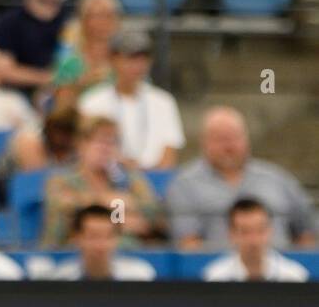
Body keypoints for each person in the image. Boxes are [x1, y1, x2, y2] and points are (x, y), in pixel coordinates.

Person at [167, 107, 316, 251]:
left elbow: (308, 231)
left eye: (234, 137)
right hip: (214, 273)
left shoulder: (277, 179)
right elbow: (187, 244)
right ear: (204, 142)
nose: (229, 146)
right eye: (221, 139)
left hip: (280, 271)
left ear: (246, 139)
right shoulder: (185, 184)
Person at [40, 115, 163, 248]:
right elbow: (63, 208)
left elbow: (151, 210)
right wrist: (111, 208)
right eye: (99, 142)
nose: (105, 149)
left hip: (124, 251)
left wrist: (128, 213)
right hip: (72, 251)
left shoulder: (129, 178)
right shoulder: (60, 180)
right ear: (82, 145)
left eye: (111, 142)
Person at [77, 29, 184, 171]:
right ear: (113, 60)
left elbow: (169, 158)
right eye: (130, 58)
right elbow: (87, 154)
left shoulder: (164, 101)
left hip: (154, 181)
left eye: (143, 58)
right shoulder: (91, 102)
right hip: (106, 179)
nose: (138, 65)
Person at [202, 200, 310, 282]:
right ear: (232, 234)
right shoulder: (216, 277)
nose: (253, 240)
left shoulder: (293, 276)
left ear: (270, 230)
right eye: (245, 231)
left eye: (260, 230)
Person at [50, 0, 120, 111]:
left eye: (109, 16)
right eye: (97, 16)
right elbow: (60, 107)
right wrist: (82, 83)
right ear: (84, 21)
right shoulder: (69, 62)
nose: (104, 22)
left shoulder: (127, 58)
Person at [51, 204, 156, 281]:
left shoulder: (139, 275)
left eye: (108, 236)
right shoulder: (61, 278)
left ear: (117, 238)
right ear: (77, 238)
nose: (101, 245)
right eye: (93, 236)